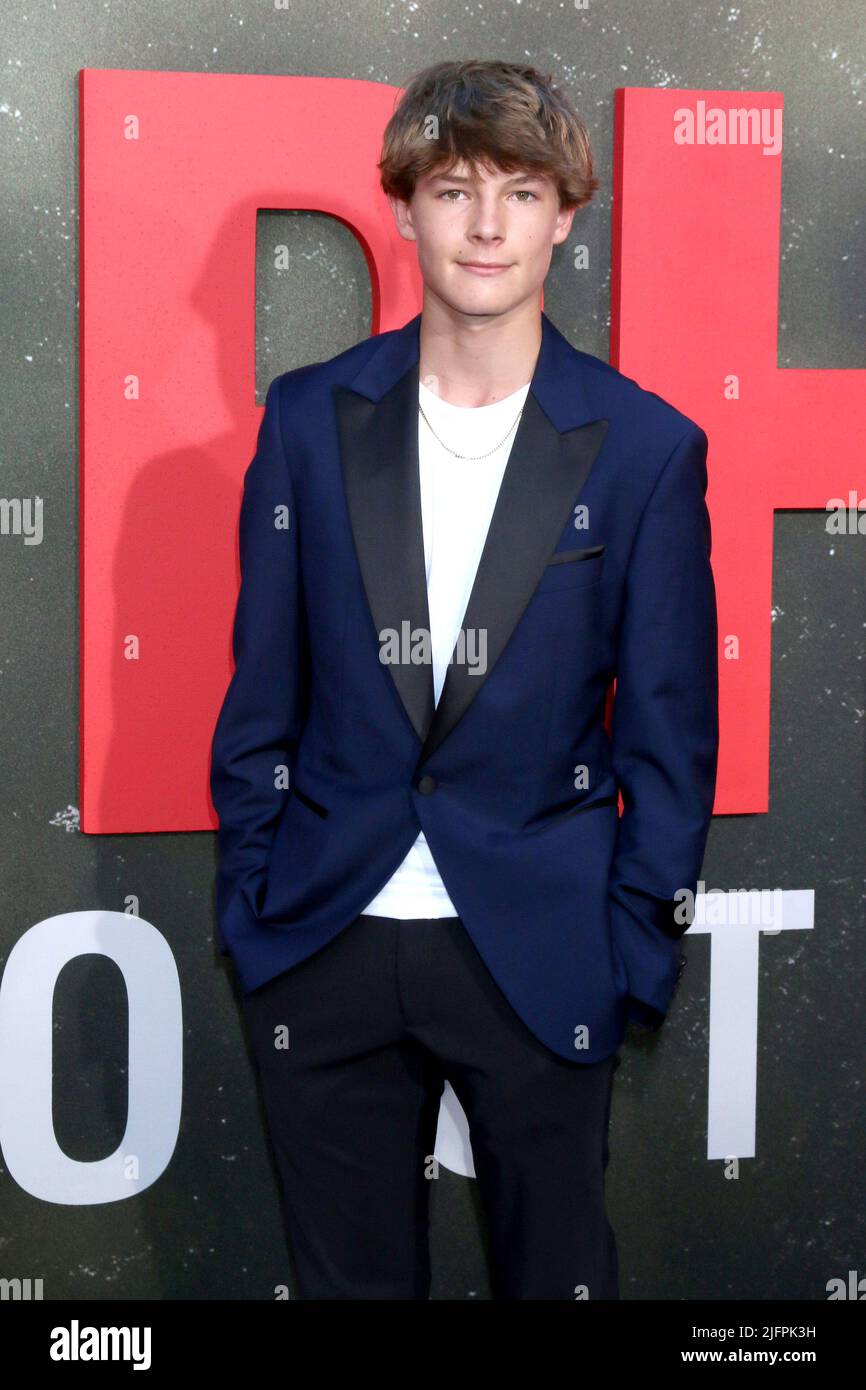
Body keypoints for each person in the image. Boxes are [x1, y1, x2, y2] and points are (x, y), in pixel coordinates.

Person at [209, 58, 719, 1300]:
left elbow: (666, 732)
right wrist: (255, 902)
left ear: (565, 215)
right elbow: (260, 694)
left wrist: (627, 954)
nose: (486, 223)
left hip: (541, 953)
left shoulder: (645, 448)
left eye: (521, 190)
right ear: (401, 205)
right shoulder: (308, 418)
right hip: (326, 941)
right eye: (453, 187)